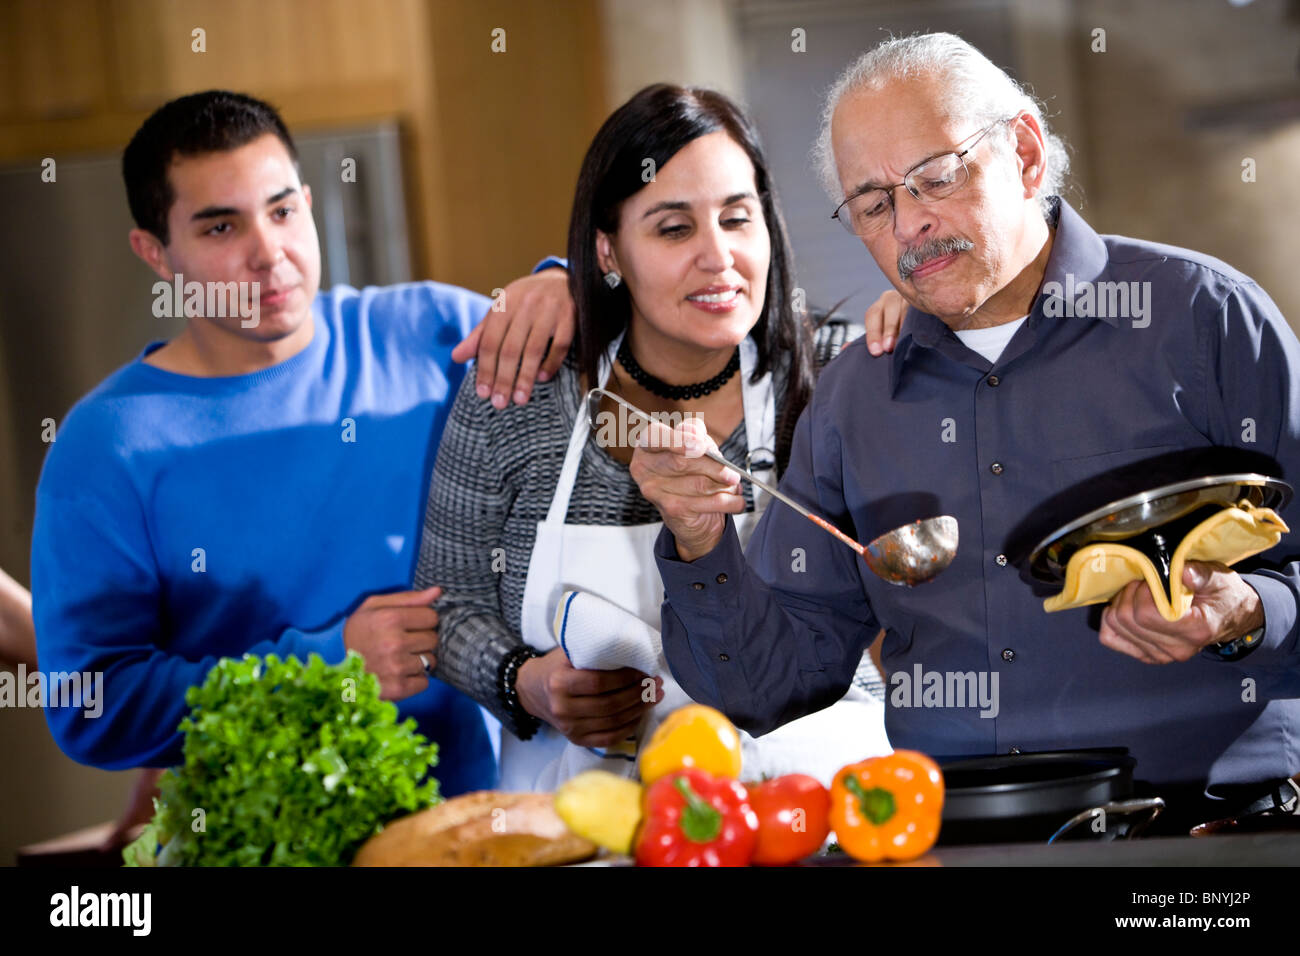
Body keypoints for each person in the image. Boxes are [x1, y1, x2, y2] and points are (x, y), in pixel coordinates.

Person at [631, 34, 1300, 829]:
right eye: (875, 204)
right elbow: (763, 688)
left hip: (1201, 834)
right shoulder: (854, 396)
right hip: (955, 835)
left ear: (1022, 152)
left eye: (935, 179)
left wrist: (1244, 609)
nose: (909, 223)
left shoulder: (1204, 318)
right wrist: (701, 541)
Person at [30, 90, 578, 796]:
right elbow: (91, 707)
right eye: (221, 228)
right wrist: (324, 666)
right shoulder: (104, 448)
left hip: (495, 815)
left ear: (310, 206)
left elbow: (620, 390)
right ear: (157, 255)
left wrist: (561, 285)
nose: (270, 253)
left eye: (283, 210)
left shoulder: (437, 332)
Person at [415, 84, 906, 792]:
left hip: (815, 811)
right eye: (674, 229)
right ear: (608, 252)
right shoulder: (521, 391)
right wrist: (526, 682)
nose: (719, 257)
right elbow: (447, 607)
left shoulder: (843, 376)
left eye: (738, 220)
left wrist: (930, 328)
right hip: (583, 824)